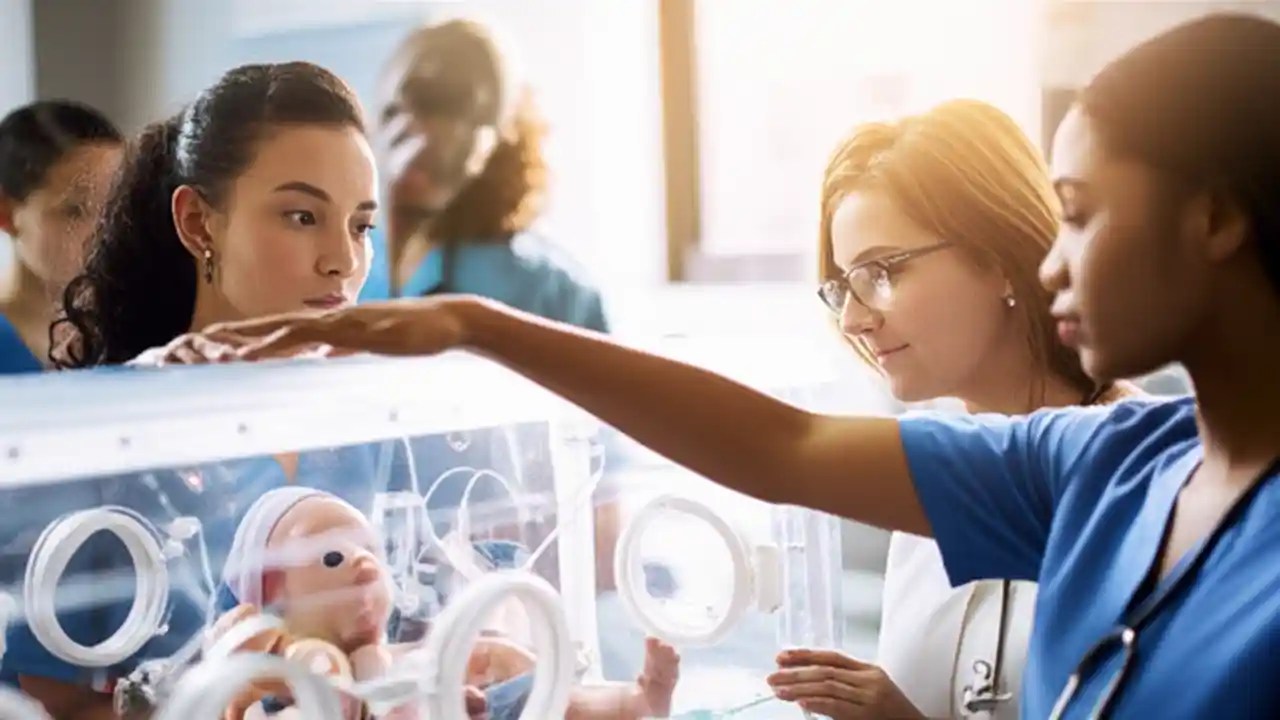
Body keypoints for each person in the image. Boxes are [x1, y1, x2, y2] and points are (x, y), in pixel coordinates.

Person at [189, 14, 1280, 719]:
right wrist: (477, 328)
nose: (1056, 256)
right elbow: (780, 446)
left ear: (1215, 217)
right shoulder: (1098, 461)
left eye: (1080, 216)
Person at [769, 99, 1132, 719]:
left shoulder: (1141, 470)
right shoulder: (920, 477)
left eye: (880, 272)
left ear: (997, 259)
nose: (854, 319)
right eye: (842, 287)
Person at [366, 18, 609, 332]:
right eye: (396, 111)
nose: (419, 137)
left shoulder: (550, 291)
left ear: (501, 137)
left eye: (449, 111)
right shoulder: (343, 266)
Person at [0, 100, 121, 374]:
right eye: (75, 211)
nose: (103, 232)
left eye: (115, 208)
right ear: (5, 213)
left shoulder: (137, 327)